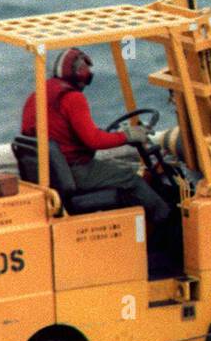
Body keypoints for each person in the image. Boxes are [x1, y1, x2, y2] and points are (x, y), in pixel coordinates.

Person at [19, 47, 171, 226]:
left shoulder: (39, 94)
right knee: (131, 179)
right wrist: (128, 136)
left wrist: (117, 135)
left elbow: (72, 132)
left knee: (117, 173)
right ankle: (167, 224)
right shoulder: (72, 98)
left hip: (50, 173)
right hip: (74, 170)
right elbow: (93, 140)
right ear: (79, 75)